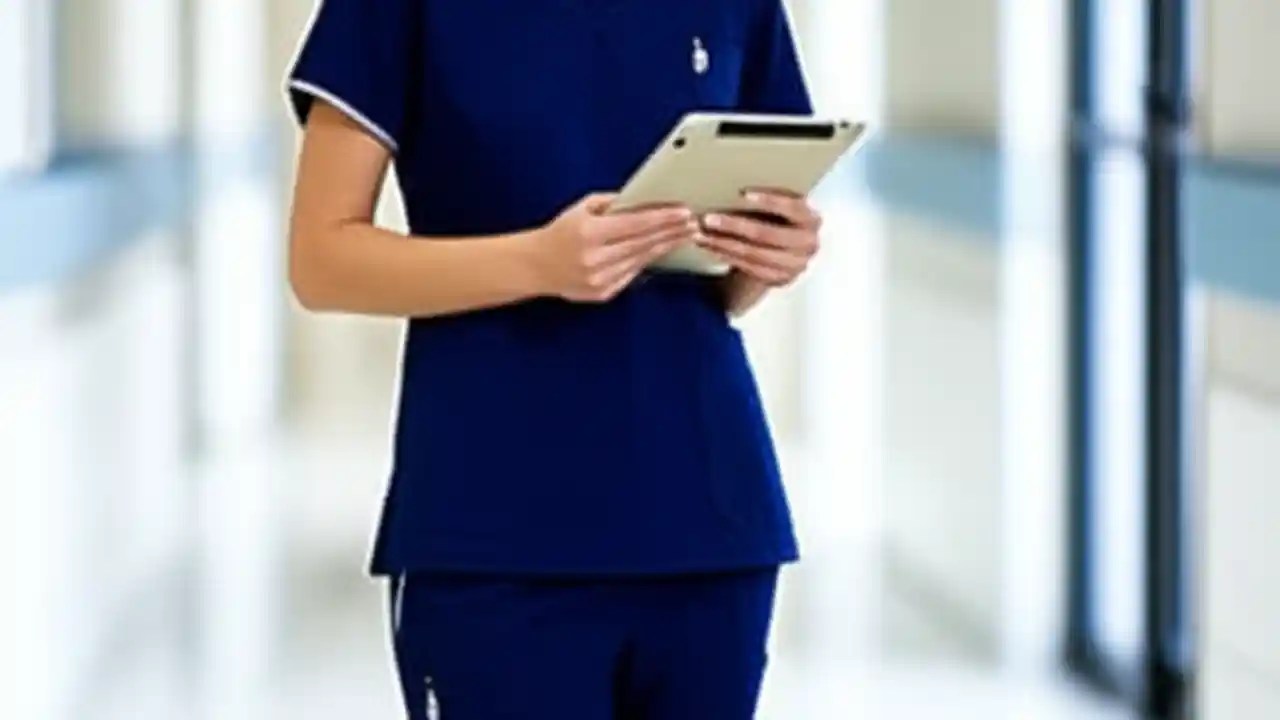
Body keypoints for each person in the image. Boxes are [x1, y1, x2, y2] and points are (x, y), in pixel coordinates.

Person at [286, 1, 823, 717]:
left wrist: (767, 255)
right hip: (495, 533)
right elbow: (321, 259)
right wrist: (538, 263)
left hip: (708, 519)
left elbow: (722, 282)